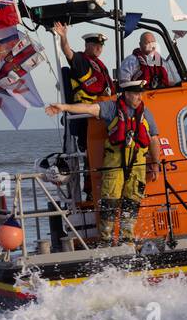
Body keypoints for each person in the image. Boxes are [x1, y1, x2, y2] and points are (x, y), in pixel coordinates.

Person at [45, 79, 162, 246]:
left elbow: (154, 139)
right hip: (115, 164)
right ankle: (106, 241)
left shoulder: (146, 113)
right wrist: (64, 107)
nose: (139, 97)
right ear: (127, 94)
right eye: (136, 94)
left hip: (137, 165)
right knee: (110, 202)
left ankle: (126, 240)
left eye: (140, 94)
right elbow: (88, 109)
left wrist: (156, 163)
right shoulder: (111, 108)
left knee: (132, 203)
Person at [52, 23, 113, 152]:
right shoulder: (81, 61)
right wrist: (63, 36)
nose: (99, 48)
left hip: (103, 108)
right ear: (86, 45)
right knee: (91, 147)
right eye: (95, 45)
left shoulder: (99, 65)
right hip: (86, 111)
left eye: (101, 46)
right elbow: (67, 52)